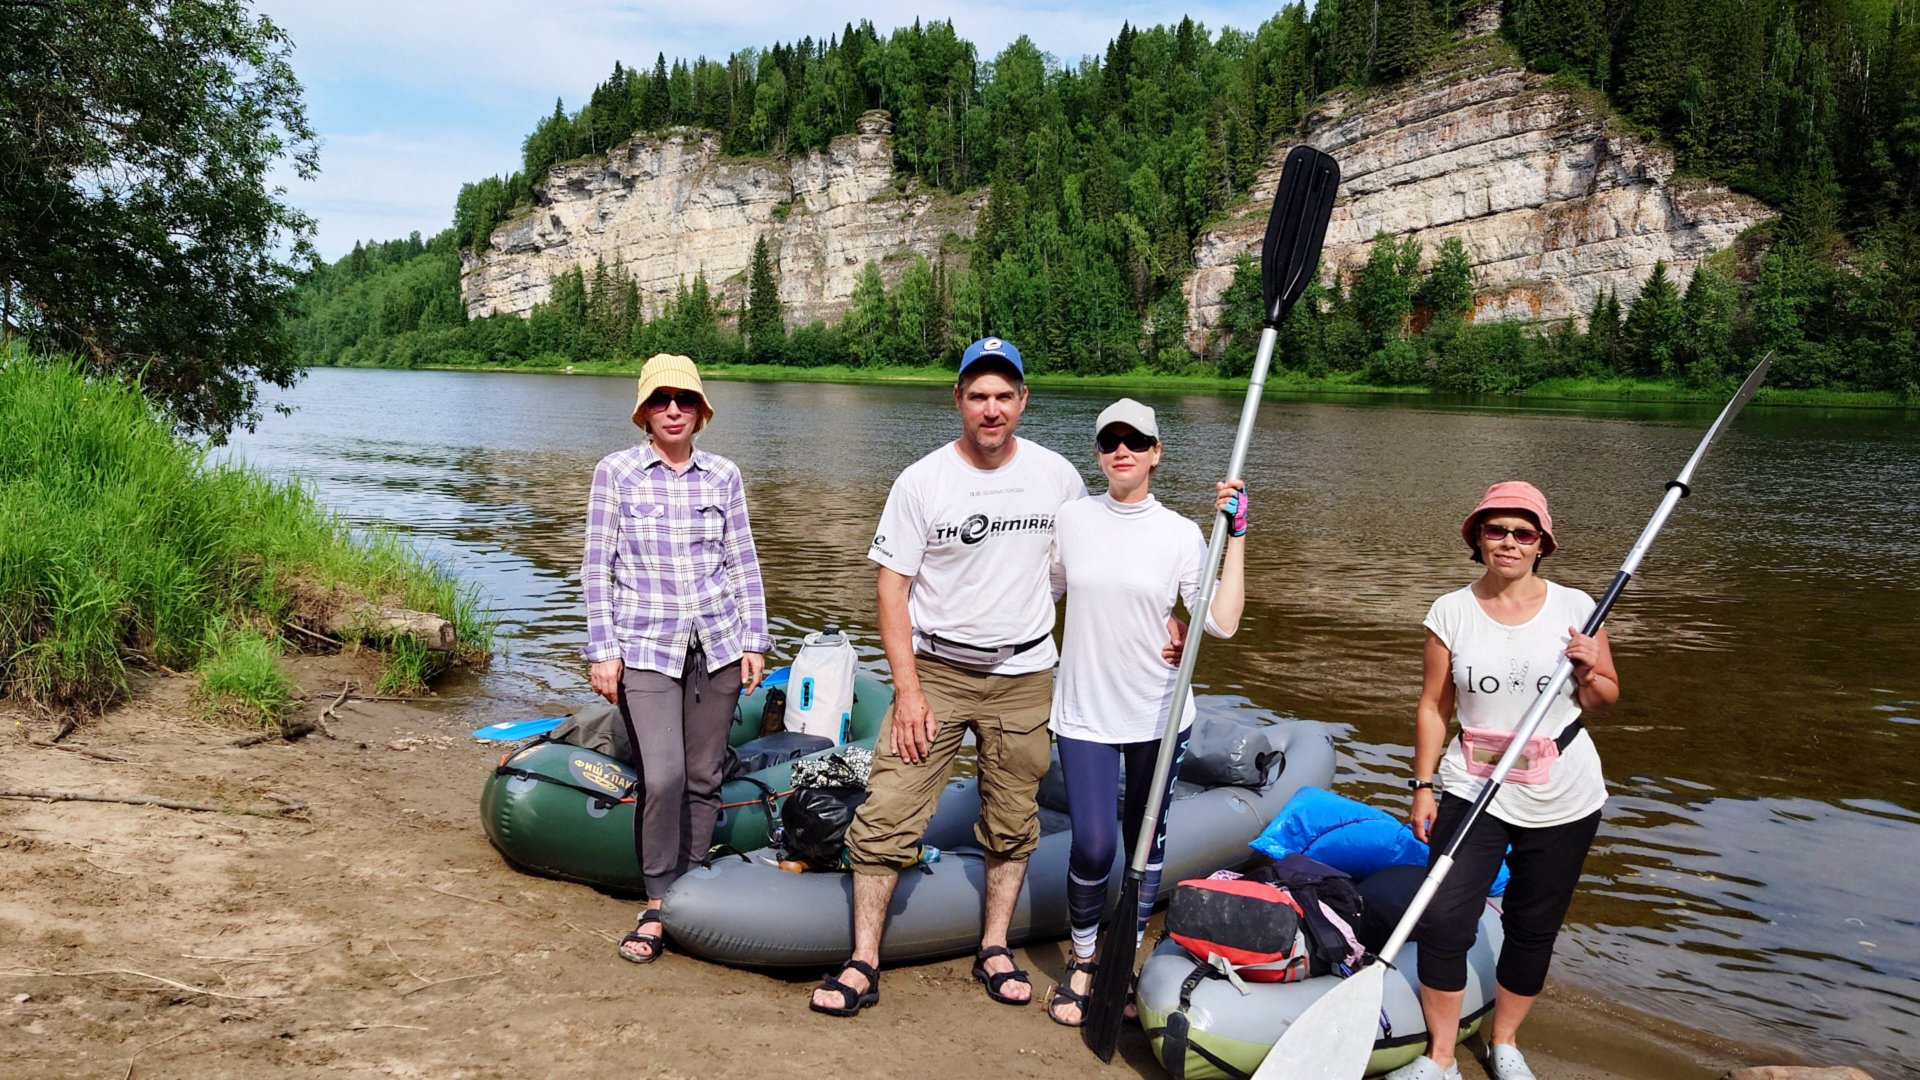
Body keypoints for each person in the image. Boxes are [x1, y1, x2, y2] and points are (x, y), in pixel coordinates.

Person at [807, 337, 1088, 1017]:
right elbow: (890, 588)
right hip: (936, 670)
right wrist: (906, 691)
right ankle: (863, 961)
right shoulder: (922, 481)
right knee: (884, 815)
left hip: (1024, 673)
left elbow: (1087, 570)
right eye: (977, 395)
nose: (991, 410)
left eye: (1003, 396)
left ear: (1022, 400)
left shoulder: (1059, 478)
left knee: (1013, 820)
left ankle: (994, 948)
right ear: (957, 400)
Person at [1388, 481, 1619, 1080]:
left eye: (1524, 532)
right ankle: (1440, 1058)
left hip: (1564, 794)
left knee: (1532, 923)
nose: (1510, 542)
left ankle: (1506, 1043)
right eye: (1497, 530)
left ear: (1543, 542)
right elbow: (1433, 707)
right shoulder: (1450, 611)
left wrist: (1591, 669)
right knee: (1443, 921)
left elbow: (1603, 700)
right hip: (1473, 786)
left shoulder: (1578, 608)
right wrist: (1422, 785)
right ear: (1477, 538)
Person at [1042, 398, 1250, 1027]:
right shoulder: (1072, 520)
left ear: (1156, 453)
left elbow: (1222, 621)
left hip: (1159, 714)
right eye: (1110, 441)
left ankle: (1120, 961)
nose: (1122, 450)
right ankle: (1083, 958)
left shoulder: (1182, 533)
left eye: (1136, 440)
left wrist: (1236, 537)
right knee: (1095, 844)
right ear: (1099, 453)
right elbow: (1039, 592)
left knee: (1142, 844)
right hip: (1084, 713)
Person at [581, 353, 770, 964]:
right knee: (661, 777)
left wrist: (754, 641)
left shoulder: (724, 476)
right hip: (644, 646)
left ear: (700, 412)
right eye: (661, 400)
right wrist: (602, 652)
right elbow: (596, 567)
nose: (673, 410)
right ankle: (659, 901)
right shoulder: (616, 473)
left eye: (685, 401)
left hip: (717, 643)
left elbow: (743, 560)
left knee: (703, 777)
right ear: (643, 410)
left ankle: (693, 890)